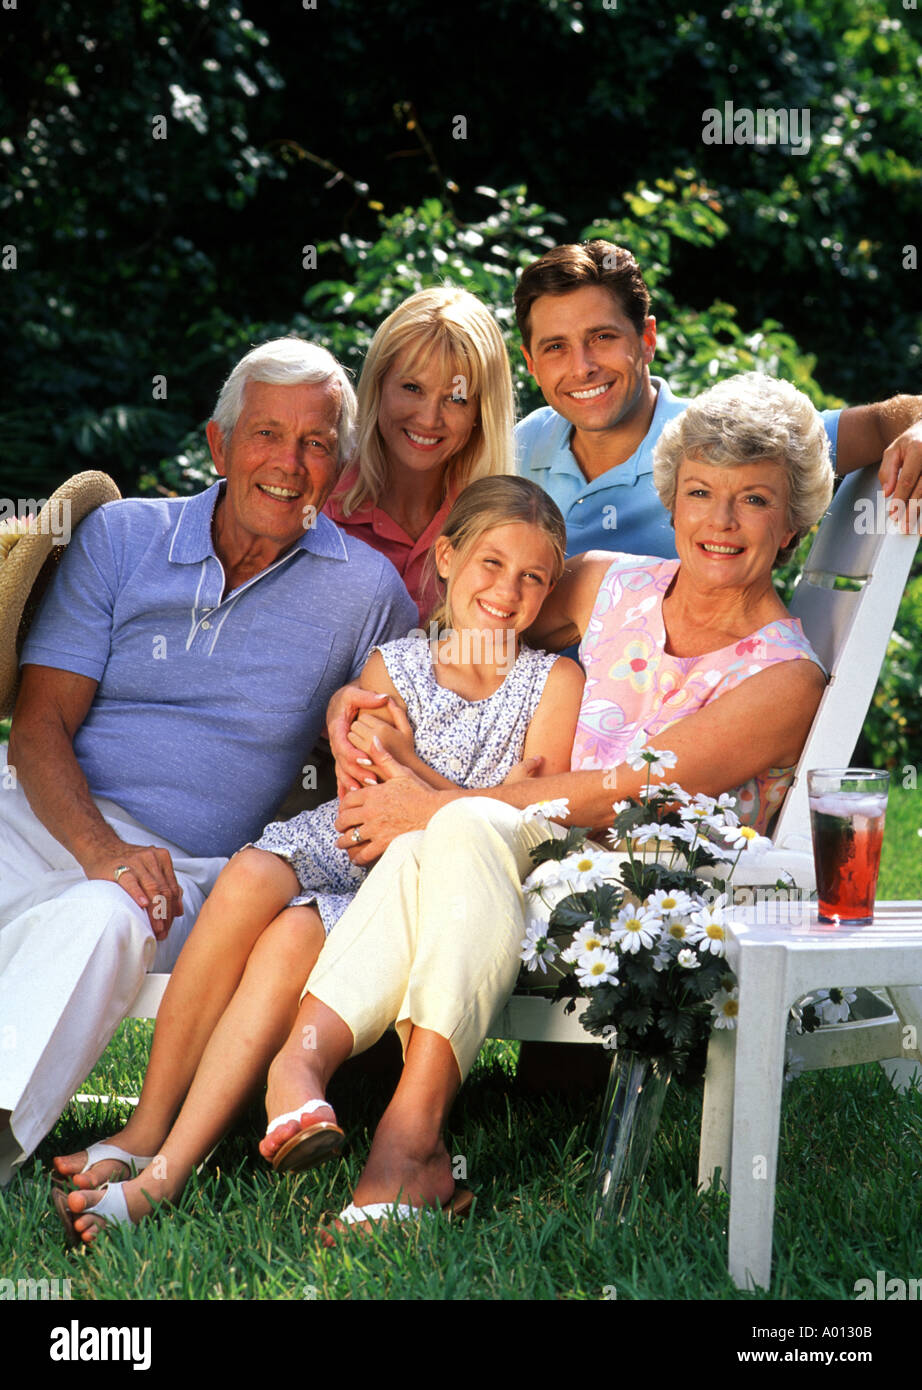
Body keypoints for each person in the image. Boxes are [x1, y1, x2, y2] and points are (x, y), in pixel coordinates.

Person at [250, 372, 836, 1230]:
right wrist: (365, 700)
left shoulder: (785, 678)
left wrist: (440, 804)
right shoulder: (608, 585)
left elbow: (628, 790)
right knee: (435, 843)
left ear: (792, 525)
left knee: (443, 834)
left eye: (753, 501)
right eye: (701, 492)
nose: (720, 520)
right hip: (515, 851)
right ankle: (326, 1087)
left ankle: (404, 1134)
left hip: (650, 879)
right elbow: (471, 629)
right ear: (671, 499)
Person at [55, 477, 585, 1240]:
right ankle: (145, 1126)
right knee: (248, 877)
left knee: (288, 940)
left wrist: (411, 763)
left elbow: (510, 820)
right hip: (348, 844)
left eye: (535, 577)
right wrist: (416, 774)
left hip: (415, 887)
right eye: (492, 564)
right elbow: (378, 801)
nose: (508, 591)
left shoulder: (553, 681)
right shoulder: (393, 667)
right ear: (446, 557)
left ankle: (171, 1167)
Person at [0, 337, 417, 1187]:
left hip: (189, 868)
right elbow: (38, 724)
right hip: (46, 811)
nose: (289, 463)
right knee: (95, 890)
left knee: (107, 919)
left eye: (314, 443)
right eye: (266, 434)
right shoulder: (121, 537)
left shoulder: (367, 592)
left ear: (339, 465)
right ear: (218, 445)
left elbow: (405, 732)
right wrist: (100, 850)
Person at [513, 240, 922, 557]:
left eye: (602, 337)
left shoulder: (724, 438)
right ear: (530, 362)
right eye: (555, 348)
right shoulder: (523, 444)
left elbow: (881, 424)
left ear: (647, 340)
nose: (582, 367)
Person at [324, 286, 515, 623]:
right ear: (378, 385)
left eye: (456, 399)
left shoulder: (502, 529)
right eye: (412, 388)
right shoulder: (317, 500)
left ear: (481, 413)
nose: (429, 418)